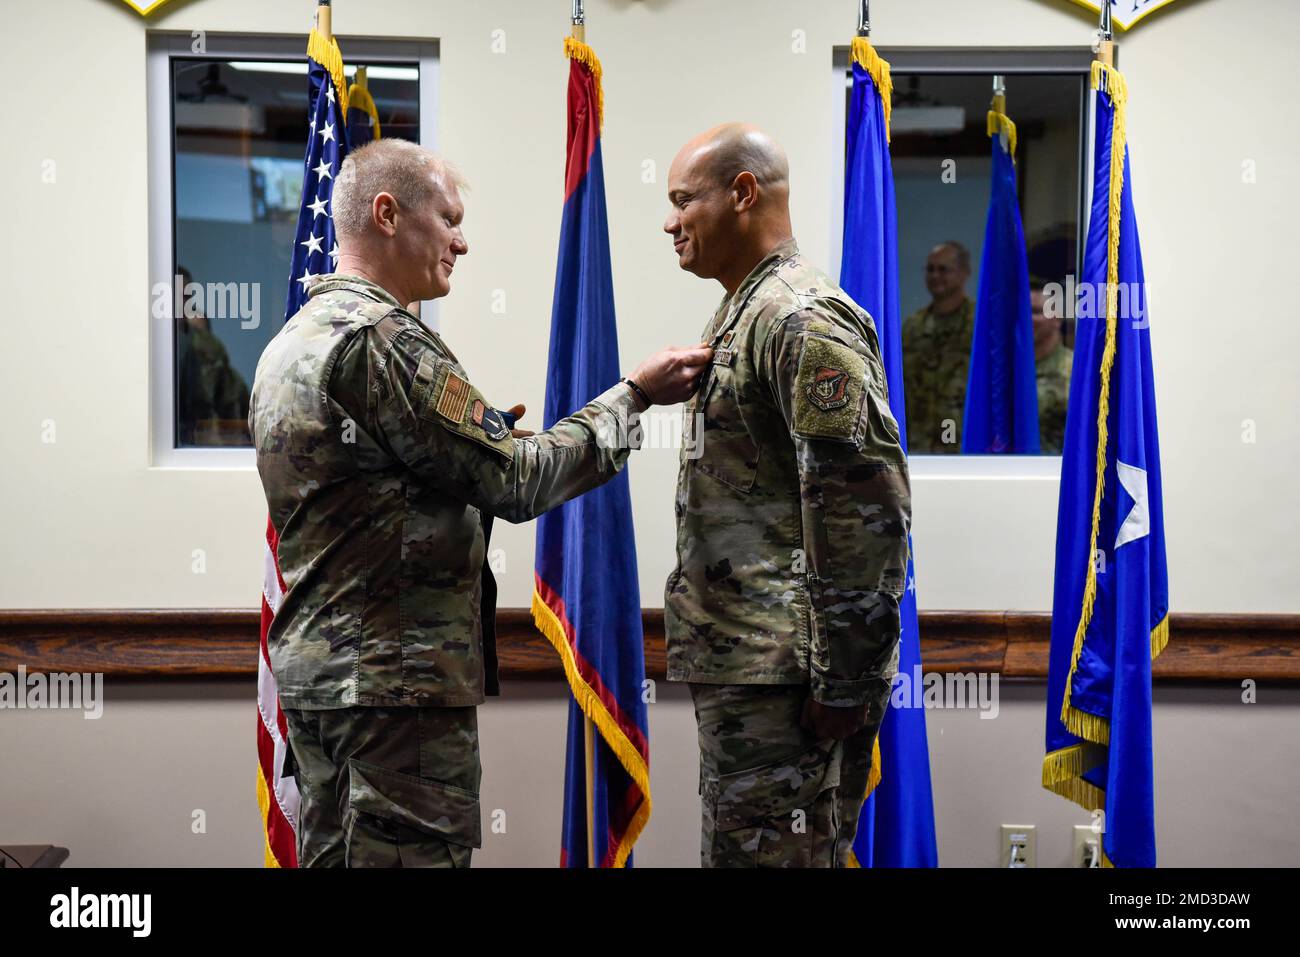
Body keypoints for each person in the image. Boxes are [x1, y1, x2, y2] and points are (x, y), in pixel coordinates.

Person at [248, 138, 710, 867]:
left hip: (324, 683)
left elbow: (375, 486)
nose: (461, 240)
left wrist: (477, 442)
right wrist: (637, 394)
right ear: (388, 213)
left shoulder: (290, 344)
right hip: (393, 694)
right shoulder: (384, 342)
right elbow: (516, 480)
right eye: (449, 217)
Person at [661, 123, 910, 868]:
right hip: (750, 670)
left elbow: (866, 513)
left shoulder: (799, 318)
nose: (670, 222)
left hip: (790, 679)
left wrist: (845, 680)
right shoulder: (746, 308)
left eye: (683, 200)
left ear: (742, 194)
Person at [901, 241, 975, 453]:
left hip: (962, 447)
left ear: (964, 273)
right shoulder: (913, 326)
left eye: (943, 269)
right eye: (930, 269)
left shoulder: (979, 325)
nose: (935, 276)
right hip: (917, 445)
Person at [1030, 278, 1073, 453]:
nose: (1028, 319)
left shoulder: (1073, 372)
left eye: (1036, 312)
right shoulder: (1007, 371)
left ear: (1058, 318)